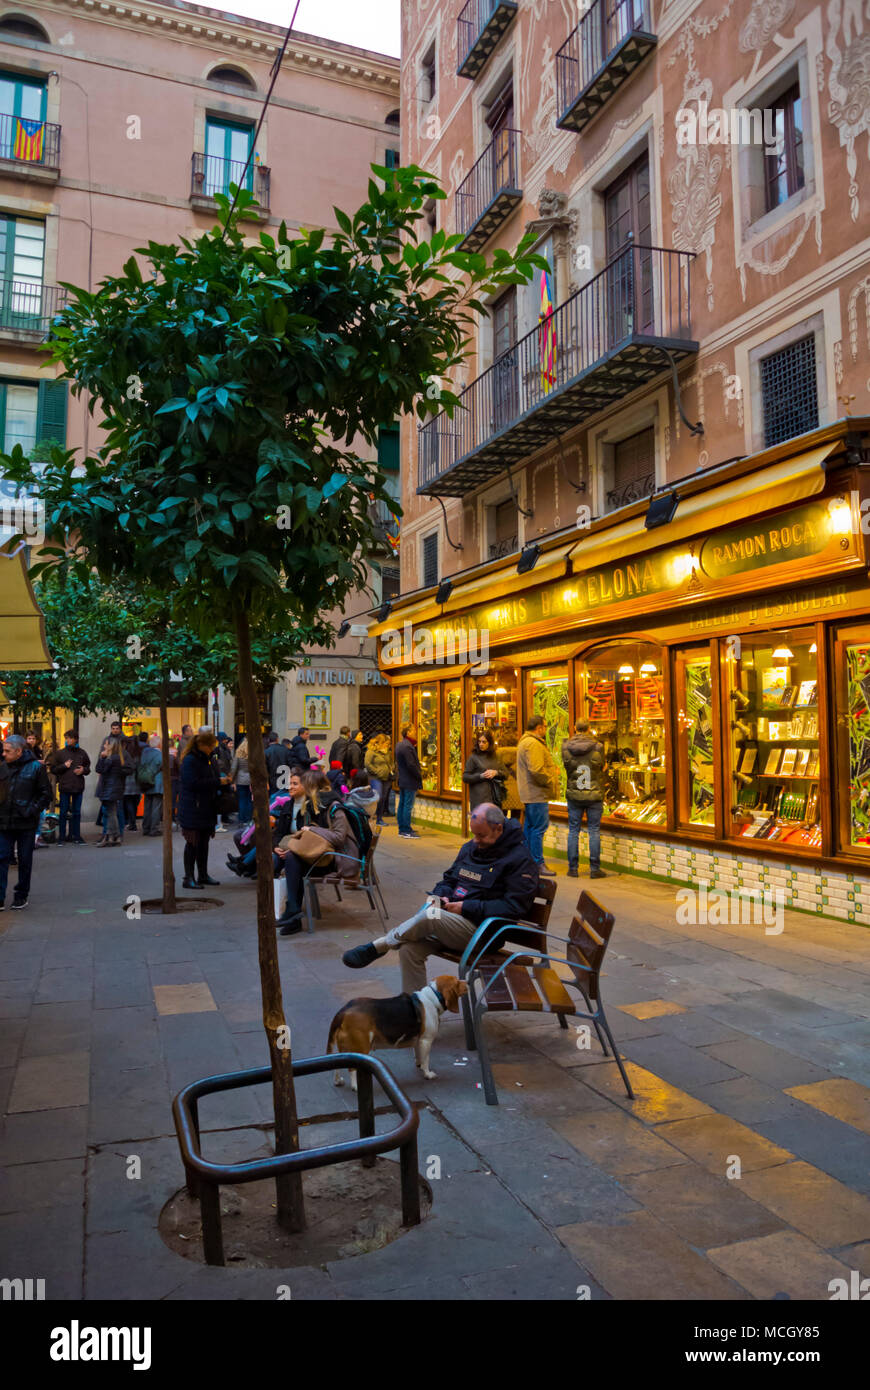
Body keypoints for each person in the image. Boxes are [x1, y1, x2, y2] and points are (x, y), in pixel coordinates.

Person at [342, 803, 539, 992]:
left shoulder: (520, 859)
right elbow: (449, 880)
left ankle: (381, 945)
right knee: (410, 949)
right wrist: (440, 896)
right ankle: (415, 1013)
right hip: (450, 920)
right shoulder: (470, 848)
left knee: (431, 916)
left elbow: (515, 906)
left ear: (498, 828)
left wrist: (466, 907)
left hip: (482, 932)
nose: (476, 840)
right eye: (474, 834)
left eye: (481, 835)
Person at [274, 770, 360, 935]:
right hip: (321, 856)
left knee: (293, 862)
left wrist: (312, 829)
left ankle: (292, 914)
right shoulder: (316, 805)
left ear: (312, 788)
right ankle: (293, 915)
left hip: (335, 861)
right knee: (291, 859)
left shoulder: (334, 807)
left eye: (304, 786)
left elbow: (339, 837)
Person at [0, 734, 53, 909]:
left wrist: (31, 810)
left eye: (8, 751)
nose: (4, 754)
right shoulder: (3, 767)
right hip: (4, 821)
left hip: (25, 822)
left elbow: (46, 794)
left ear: (19, 751)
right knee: (2, 858)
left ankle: (21, 895)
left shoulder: (35, 768)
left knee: (25, 860)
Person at [562, 720, 607, 880]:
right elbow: (602, 767)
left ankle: (572, 868)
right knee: (594, 830)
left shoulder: (565, 747)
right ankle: (594, 869)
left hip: (574, 795)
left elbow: (567, 768)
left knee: (574, 831)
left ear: (575, 728)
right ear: (589, 729)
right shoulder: (598, 747)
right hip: (594, 795)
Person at [516, 714, 559, 875]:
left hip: (530, 793)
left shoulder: (525, 742)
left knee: (530, 828)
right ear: (539, 728)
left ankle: (527, 863)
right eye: (545, 727)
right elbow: (536, 769)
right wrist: (551, 778)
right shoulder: (533, 744)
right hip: (536, 793)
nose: (546, 730)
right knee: (538, 828)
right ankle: (537, 863)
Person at [177, 729, 221, 889]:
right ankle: (188, 877)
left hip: (206, 807)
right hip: (193, 808)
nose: (212, 749)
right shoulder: (190, 760)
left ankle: (203, 874)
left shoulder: (208, 759)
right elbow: (193, 783)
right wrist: (217, 782)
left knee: (204, 843)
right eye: (210, 746)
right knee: (192, 843)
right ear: (202, 745)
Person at [50, 730, 91, 844]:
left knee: (77, 812)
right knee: (63, 812)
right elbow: (53, 769)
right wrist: (64, 766)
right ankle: (62, 837)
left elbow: (88, 768)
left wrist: (83, 770)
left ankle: (76, 836)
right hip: (65, 787)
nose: (68, 740)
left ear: (76, 739)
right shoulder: (60, 753)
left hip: (78, 786)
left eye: (70, 738)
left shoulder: (82, 753)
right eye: (66, 738)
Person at [95, 735, 130, 846]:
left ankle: (113, 835)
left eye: (106, 744)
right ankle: (112, 836)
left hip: (110, 788)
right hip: (115, 788)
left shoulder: (111, 758)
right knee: (112, 812)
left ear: (110, 746)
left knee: (110, 813)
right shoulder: (118, 757)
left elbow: (100, 769)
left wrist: (102, 757)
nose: (104, 746)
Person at [463, 729, 509, 811]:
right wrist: (480, 776)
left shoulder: (496, 756)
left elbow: (506, 774)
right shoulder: (473, 757)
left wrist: (496, 773)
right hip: (479, 800)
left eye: (484, 742)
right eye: (479, 741)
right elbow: (465, 777)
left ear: (490, 743)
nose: (481, 744)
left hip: (494, 799)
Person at [395, 722, 423, 839]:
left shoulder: (400, 744)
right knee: (407, 805)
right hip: (409, 780)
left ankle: (402, 828)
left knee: (402, 804)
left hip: (403, 778)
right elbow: (411, 764)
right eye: (413, 731)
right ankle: (406, 829)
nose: (415, 733)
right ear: (408, 732)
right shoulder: (407, 746)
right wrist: (419, 775)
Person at [365, 732, 394, 826]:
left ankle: (379, 819)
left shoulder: (387, 752)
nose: (388, 745)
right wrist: (377, 771)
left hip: (386, 778)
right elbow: (367, 764)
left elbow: (390, 762)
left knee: (383, 798)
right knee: (378, 796)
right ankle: (372, 816)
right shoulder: (371, 751)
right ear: (381, 742)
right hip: (375, 777)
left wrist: (391, 768)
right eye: (387, 743)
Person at [137, 734, 164, 836]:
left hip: (146, 782)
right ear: (159, 744)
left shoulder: (144, 752)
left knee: (147, 806)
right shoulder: (160, 754)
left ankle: (146, 827)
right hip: (157, 783)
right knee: (156, 807)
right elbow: (162, 765)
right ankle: (154, 829)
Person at [214, 731, 234, 833]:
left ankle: (223, 818)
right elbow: (220, 764)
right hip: (222, 777)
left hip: (225, 776)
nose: (226, 741)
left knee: (225, 797)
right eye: (225, 739)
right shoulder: (218, 749)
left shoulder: (223, 749)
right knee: (222, 798)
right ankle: (219, 821)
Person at [230, 737, 252, 826]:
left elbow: (234, 767)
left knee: (242, 800)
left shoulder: (238, 752)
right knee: (249, 800)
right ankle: (248, 819)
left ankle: (241, 819)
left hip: (240, 779)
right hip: (251, 780)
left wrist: (232, 779)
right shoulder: (253, 753)